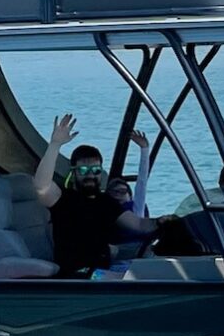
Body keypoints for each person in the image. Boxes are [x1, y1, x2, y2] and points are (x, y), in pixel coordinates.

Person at [32, 115, 173, 276]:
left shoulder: (106, 202)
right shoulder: (63, 199)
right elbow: (41, 187)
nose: (90, 175)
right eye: (84, 170)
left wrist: (160, 222)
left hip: (103, 272)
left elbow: (139, 225)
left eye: (96, 170)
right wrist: (55, 144)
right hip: (75, 276)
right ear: (74, 172)